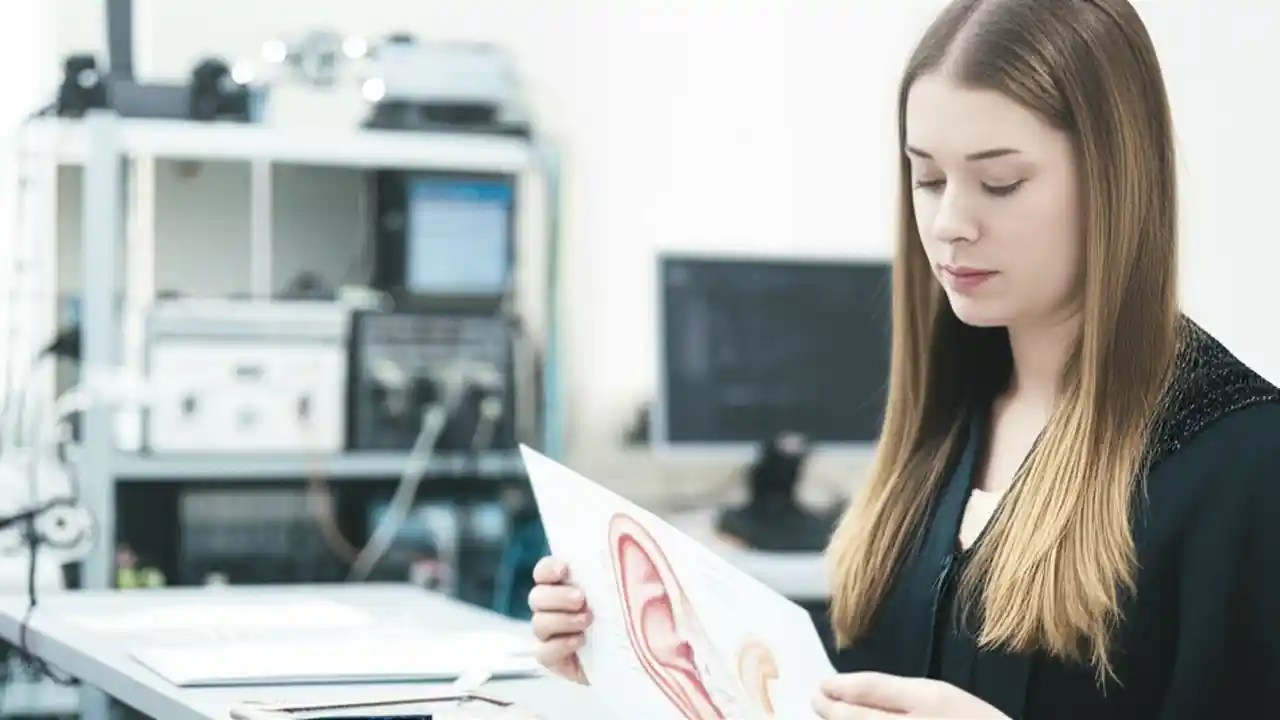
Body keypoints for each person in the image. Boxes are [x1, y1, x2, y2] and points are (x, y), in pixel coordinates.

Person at [528, 0, 1280, 717]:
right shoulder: (956, 414)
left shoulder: (1244, 461)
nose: (950, 222)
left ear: (1117, 181)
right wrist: (633, 653)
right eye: (927, 178)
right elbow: (858, 681)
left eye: (1000, 183)